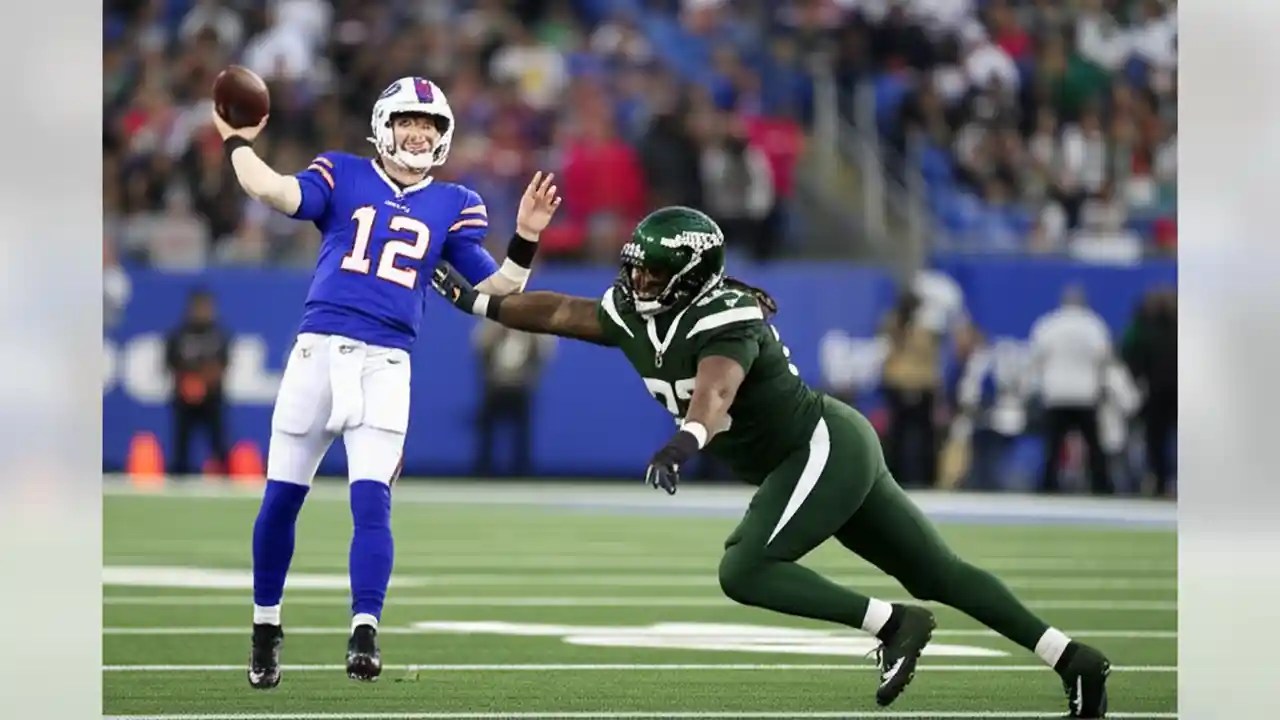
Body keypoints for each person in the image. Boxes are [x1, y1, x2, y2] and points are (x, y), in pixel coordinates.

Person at [431, 206, 1112, 718]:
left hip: (816, 445)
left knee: (747, 567)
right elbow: (560, 311)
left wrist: (683, 442)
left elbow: (715, 392)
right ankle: (1074, 659)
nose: (636, 278)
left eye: (652, 271)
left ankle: (894, 623)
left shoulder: (727, 317)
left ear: (690, 277)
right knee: (939, 571)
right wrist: (482, 302)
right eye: (634, 266)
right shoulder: (634, 310)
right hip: (817, 450)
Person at [211, 76, 563, 688]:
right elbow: (271, 191)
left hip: (388, 363)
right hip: (319, 352)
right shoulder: (341, 173)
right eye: (409, 121)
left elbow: (499, 290)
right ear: (383, 125)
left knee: (372, 502)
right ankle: (266, 625)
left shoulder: (455, 202)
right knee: (281, 498)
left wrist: (527, 237)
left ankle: (365, 630)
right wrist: (238, 143)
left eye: (430, 125)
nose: (420, 132)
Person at [163, 288, 231, 476]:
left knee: (218, 442)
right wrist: (188, 383)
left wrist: (204, 382)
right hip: (184, 397)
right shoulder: (179, 334)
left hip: (212, 396)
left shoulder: (218, 334)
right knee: (181, 442)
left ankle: (222, 475)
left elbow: (223, 364)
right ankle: (179, 475)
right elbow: (170, 363)